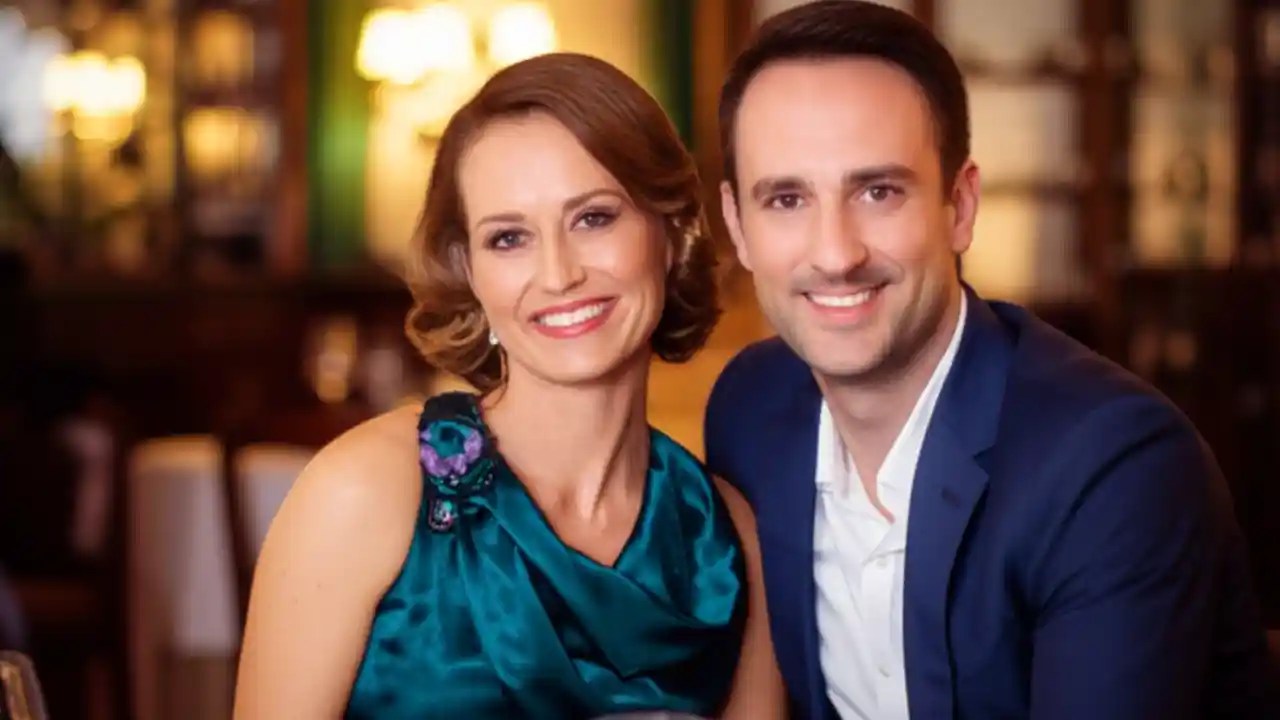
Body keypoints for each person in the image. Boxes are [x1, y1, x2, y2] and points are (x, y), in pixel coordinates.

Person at [703, 2, 1277, 719]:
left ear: (960, 205)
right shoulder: (750, 412)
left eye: (878, 191)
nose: (835, 253)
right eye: (787, 198)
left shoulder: (1112, 467)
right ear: (738, 228)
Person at [234, 53, 785, 719]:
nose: (557, 275)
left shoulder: (728, 539)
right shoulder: (365, 492)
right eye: (509, 238)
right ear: (469, 272)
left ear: (670, 234)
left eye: (594, 218)